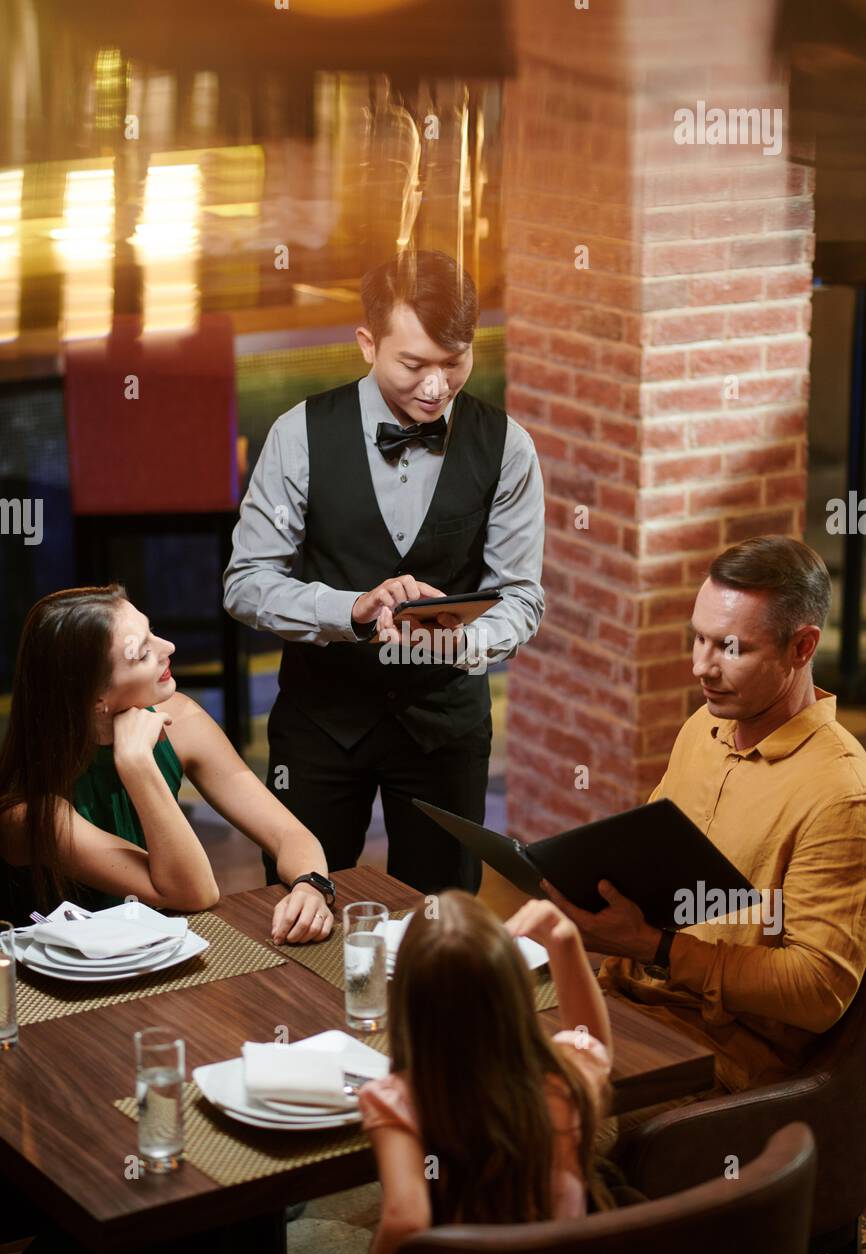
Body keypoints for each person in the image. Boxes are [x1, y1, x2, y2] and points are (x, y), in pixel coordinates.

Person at [223, 248, 544, 896]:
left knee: (442, 921)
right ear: (367, 343)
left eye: (453, 363)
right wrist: (349, 611)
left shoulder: (506, 446)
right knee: (300, 906)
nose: (435, 386)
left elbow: (520, 595)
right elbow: (247, 581)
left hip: (444, 726)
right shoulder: (299, 435)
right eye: (414, 364)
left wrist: (465, 641)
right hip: (321, 722)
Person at [544, 535, 866, 1137]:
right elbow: (649, 860)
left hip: (717, 1058)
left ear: (803, 647)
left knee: (539, 1119)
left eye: (730, 647)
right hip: (628, 997)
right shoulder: (706, 726)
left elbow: (821, 989)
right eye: (698, 637)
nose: (700, 666)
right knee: (471, 1052)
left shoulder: (841, 794)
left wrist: (656, 948)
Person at [0, 584, 336, 944]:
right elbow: (194, 892)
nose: (168, 648)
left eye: (152, 633)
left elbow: (290, 834)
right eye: (142, 653)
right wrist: (136, 763)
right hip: (69, 985)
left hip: (158, 955)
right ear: (96, 697)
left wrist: (310, 886)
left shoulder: (179, 719)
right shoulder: (34, 813)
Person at [357, 890, 614, 1254]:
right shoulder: (563, 1080)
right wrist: (564, 942)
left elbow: (406, 1219)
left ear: (408, 1003)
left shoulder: (396, 1100)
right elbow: (595, 1041)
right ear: (516, 992)